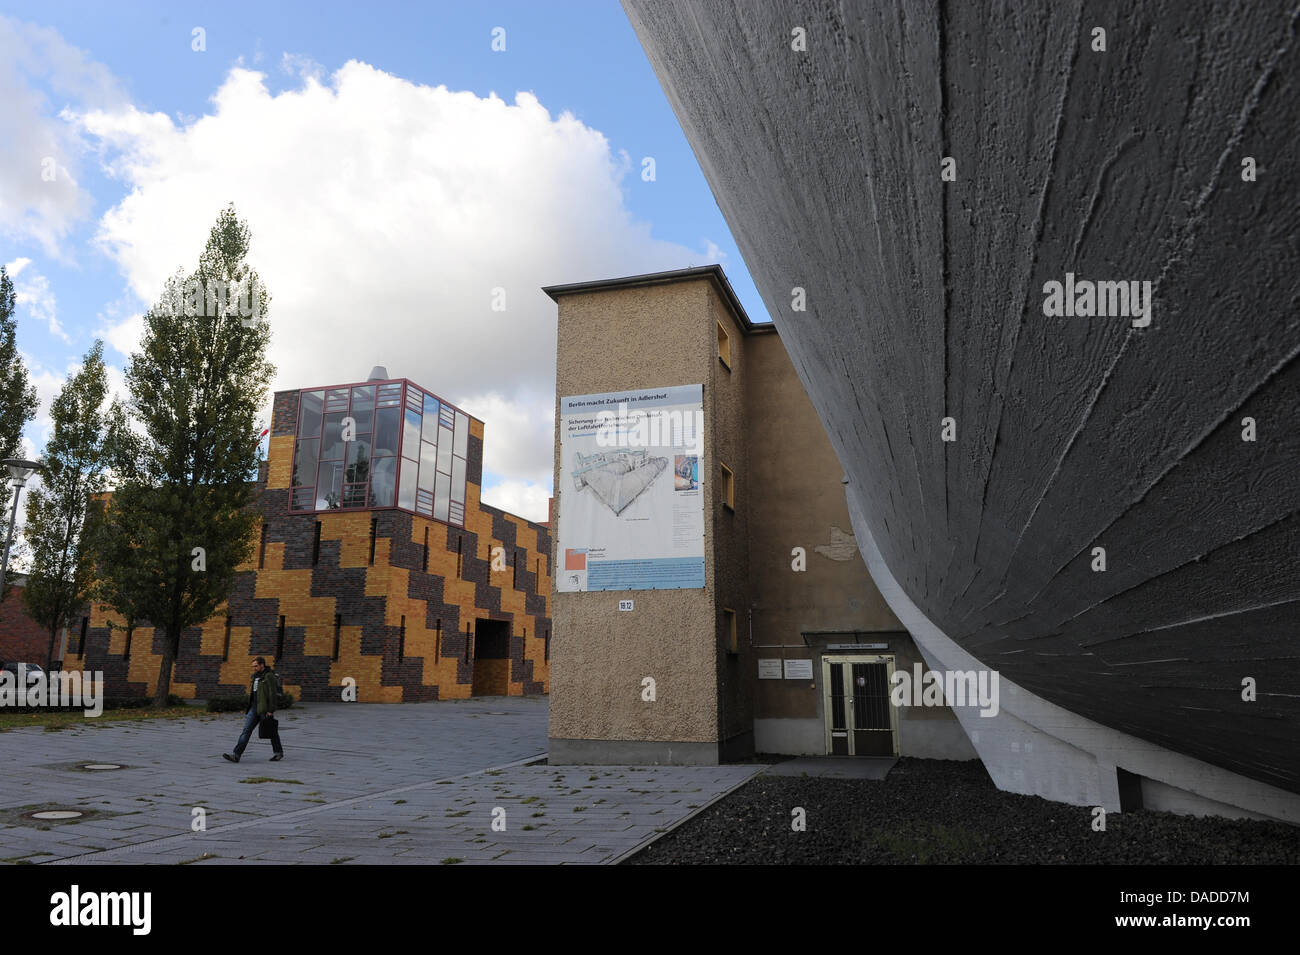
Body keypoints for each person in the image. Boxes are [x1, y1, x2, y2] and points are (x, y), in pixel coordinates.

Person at [223, 656, 283, 762]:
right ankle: (236, 755)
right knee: (246, 731)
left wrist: (271, 710)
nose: (254, 668)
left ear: (262, 665)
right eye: (253, 666)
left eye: (256, 666)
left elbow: (272, 694)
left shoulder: (269, 676)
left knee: (271, 731)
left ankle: (278, 753)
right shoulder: (255, 676)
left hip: (264, 709)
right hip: (254, 708)